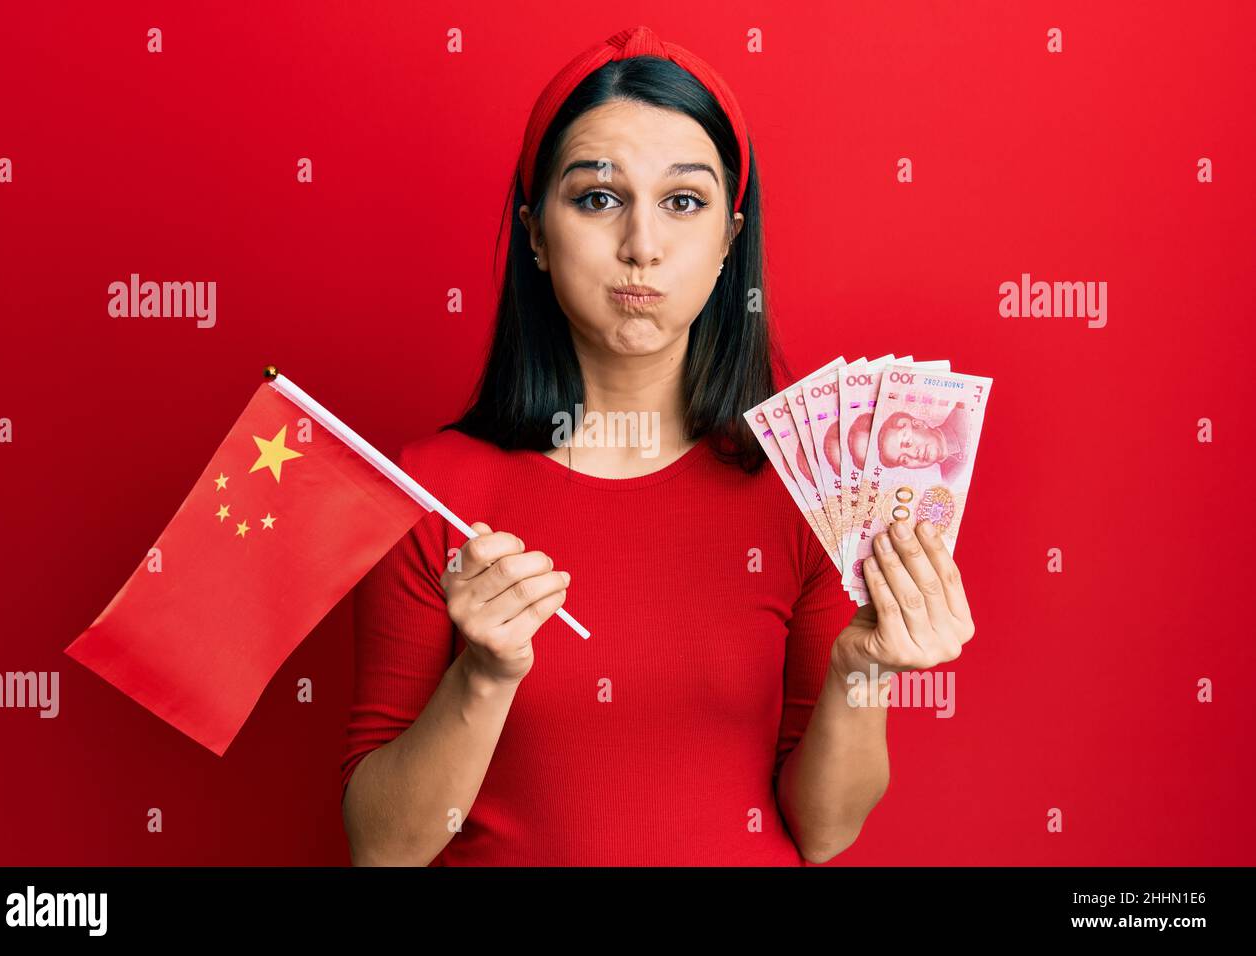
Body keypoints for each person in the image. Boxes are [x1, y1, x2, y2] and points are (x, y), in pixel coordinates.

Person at [340, 25, 976, 866]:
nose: (642, 244)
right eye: (597, 197)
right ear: (535, 232)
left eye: (683, 201)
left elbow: (825, 832)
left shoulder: (811, 491)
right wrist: (483, 678)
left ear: (726, 242)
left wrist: (866, 670)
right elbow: (384, 851)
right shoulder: (426, 495)